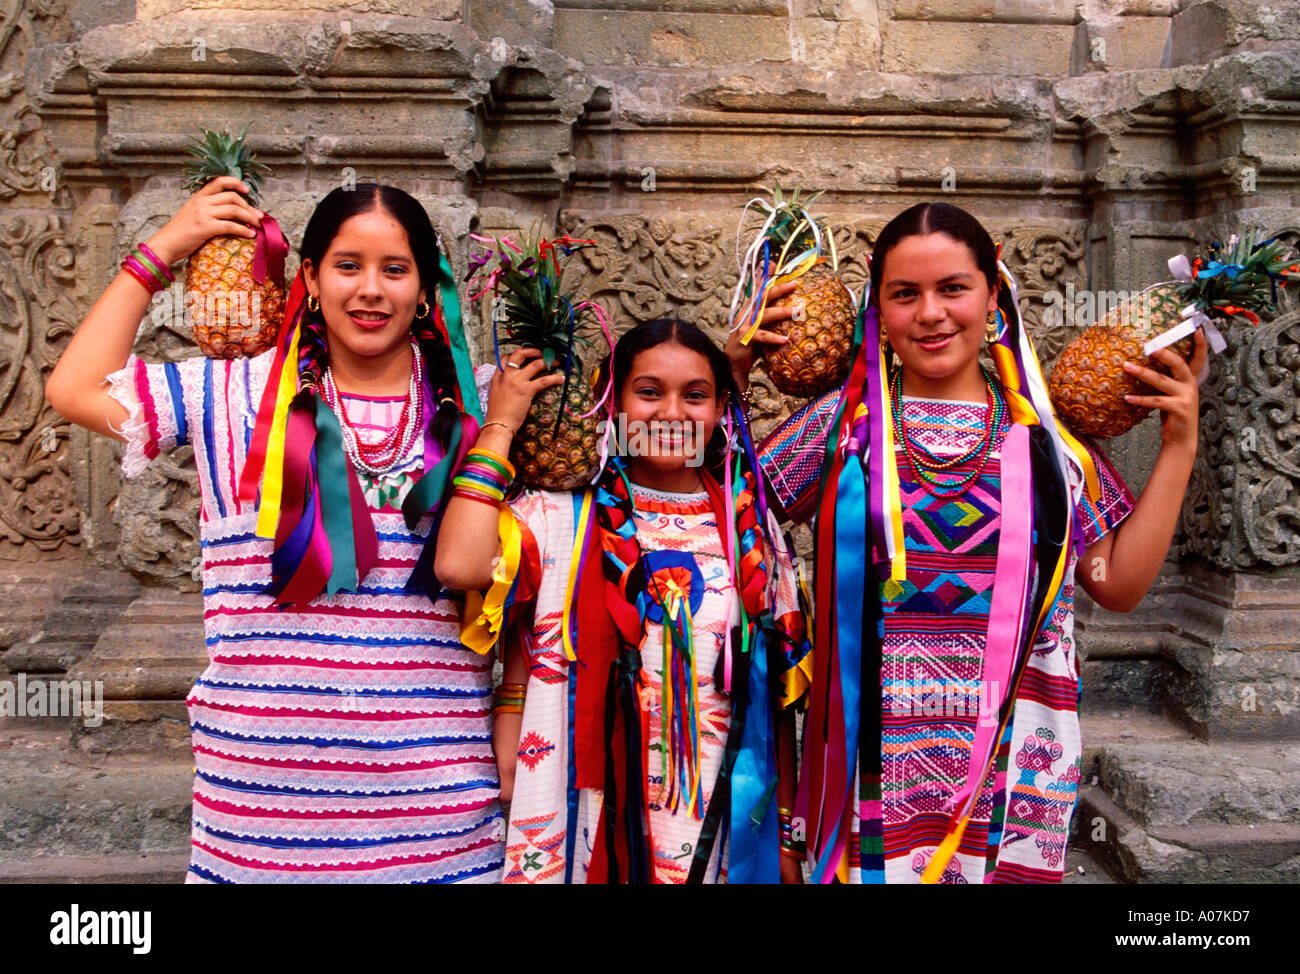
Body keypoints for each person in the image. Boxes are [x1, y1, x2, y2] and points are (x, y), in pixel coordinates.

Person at [728, 201, 1206, 884]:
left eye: (953, 287)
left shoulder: (1047, 439)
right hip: (868, 772)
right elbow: (729, 511)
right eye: (905, 294)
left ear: (993, 287)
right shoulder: (840, 428)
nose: (930, 313)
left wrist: (1179, 443)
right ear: (877, 299)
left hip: (1010, 774)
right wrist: (735, 369)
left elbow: (1116, 583)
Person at [46, 181, 504, 883]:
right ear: (311, 279)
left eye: (395, 268)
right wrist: (165, 249)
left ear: (425, 287)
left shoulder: (477, 406)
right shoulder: (229, 394)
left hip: (436, 818)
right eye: (347, 265)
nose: (371, 290)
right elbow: (75, 388)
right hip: (260, 823)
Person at [436, 319, 812, 883]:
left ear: (719, 412)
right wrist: (502, 426)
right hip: (585, 803)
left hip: (719, 809)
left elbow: (778, 692)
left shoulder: (750, 531)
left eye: (696, 395)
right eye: (649, 392)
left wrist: (783, 830)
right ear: (612, 404)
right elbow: (459, 565)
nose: (672, 414)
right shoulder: (563, 515)